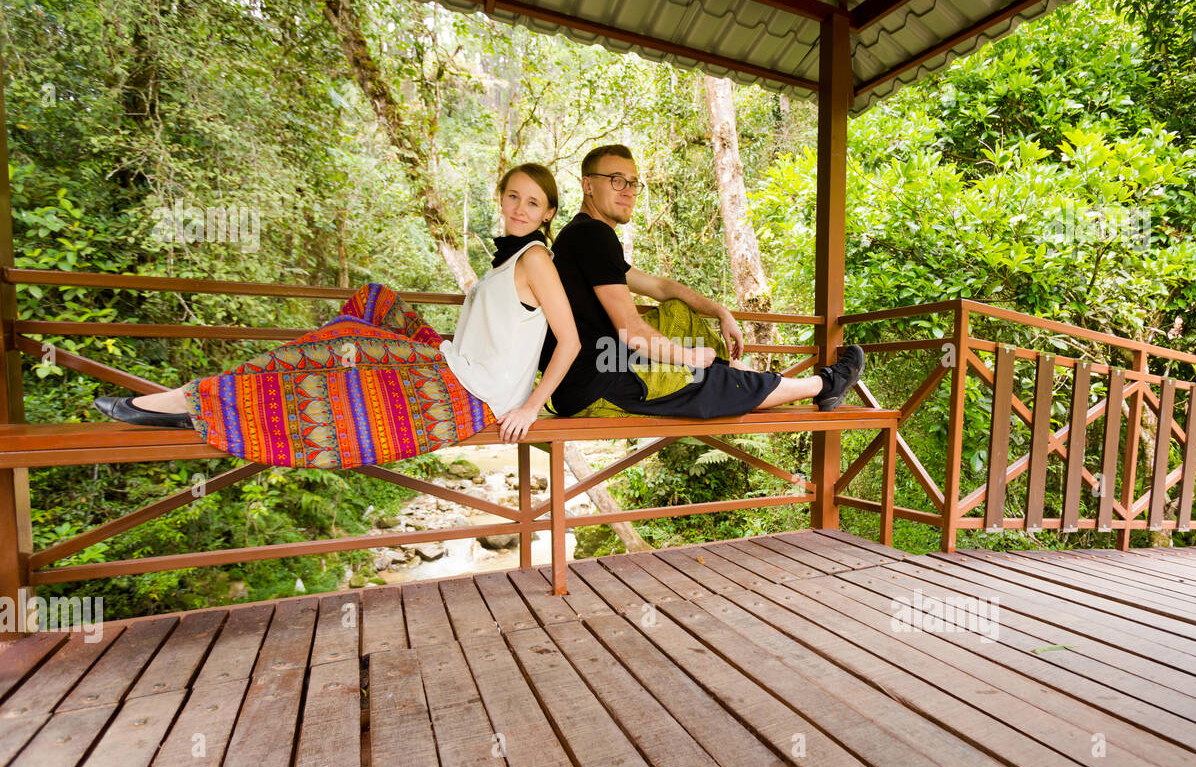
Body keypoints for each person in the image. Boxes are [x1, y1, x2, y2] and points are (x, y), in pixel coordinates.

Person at [94, 163, 580, 469]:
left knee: (345, 345)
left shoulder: (536, 259)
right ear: (501, 198)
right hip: (453, 364)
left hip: (479, 392)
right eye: (513, 196)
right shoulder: (507, 261)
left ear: (547, 213)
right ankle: (270, 377)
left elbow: (571, 341)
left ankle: (190, 401)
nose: (519, 207)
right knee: (373, 300)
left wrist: (531, 406)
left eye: (532, 202)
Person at [536, 144, 865, 420]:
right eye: (616, 180)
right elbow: (632, 332)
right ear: (587, 185)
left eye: (633, 183)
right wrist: (688, 357)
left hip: (589, 377)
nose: (628, 191)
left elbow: (662, 288)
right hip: (596, 386)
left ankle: (731, 369)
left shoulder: (581, 236)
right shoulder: (594, 236)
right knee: (718, 381)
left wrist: (721, 311)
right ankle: (823, 385)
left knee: (679, 312)